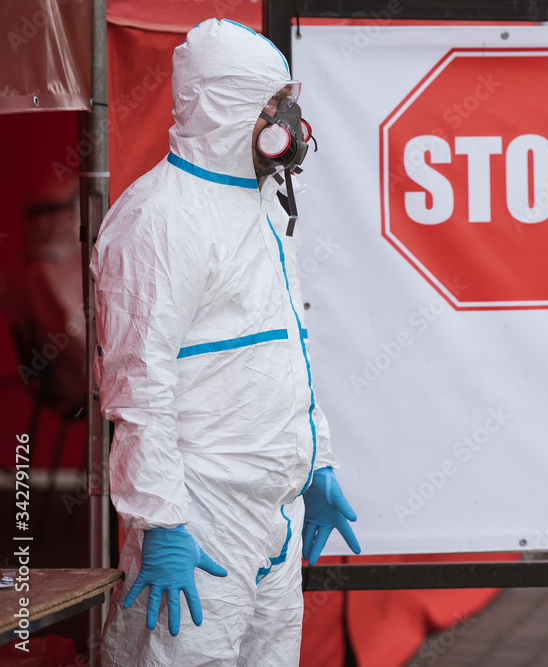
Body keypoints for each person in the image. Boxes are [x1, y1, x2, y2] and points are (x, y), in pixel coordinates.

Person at [92, 19, 360, 666]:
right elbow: (138, 386)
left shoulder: (264, 205)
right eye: (273, 105)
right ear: (225, 103)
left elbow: (286, 346)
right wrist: (160, 521)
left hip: (275, 509)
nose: (288, 121)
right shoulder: (158, 220)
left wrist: (316, 458)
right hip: (200, 516)